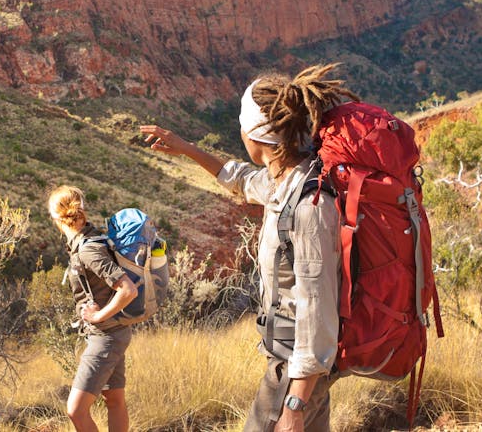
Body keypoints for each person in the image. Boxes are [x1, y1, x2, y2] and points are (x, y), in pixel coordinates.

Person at [141, 64, 356, 432]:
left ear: (256, 135)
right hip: (302, 369)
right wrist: (187, 149)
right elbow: (239, 179)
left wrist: (294, 404)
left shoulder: (309, 205)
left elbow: (317, 309)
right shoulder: (285, 180)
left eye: (243, 125)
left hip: (295, 372)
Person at [48, 185, 139, 432]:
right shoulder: (89, 239)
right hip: (116, 332)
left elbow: (128, 290)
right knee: (114, 400)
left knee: (75, 410)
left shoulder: (88, 249)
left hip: (106, 337)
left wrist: (98, 315)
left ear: (56, 217)